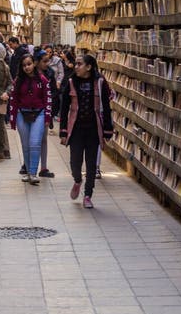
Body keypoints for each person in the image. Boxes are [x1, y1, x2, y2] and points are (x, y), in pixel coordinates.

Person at [60, 53, 113, 209]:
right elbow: (64, 108)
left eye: (79, 64)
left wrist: (108, 129)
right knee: (75, 162)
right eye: (76, 64)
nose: (76, 67)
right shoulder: (71, 82)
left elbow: (106, 107)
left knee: (91, 165)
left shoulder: (99, 83)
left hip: (93, 130)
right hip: (76, 129)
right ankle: (77, 180)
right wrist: (63, 130)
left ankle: (88, 195)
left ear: (89, 67)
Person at [10, 53, 51, 185]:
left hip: (39, 113)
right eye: (24, 65)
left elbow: (47, 100)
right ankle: (28, 172)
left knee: (34, 143)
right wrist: (13, 118)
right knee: (26, 145)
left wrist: (47, 117)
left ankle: (33, 173)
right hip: (22, 114)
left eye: (29, 64)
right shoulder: (17, 81)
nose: (27, 67)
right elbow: (14, 100)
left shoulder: (43, 80)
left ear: (34, 64)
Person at [33, 48, 57, 178]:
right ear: (36, 62)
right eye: (44, 61)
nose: (47, 64)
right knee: (32, 141)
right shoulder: (29, 73)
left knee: (43, 139)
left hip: (44, 110)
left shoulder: (50, 74)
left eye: (48, 61)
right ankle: (29, 165)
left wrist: (48, 105)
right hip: (30, 111)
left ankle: (43, 167)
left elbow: (54, 92)